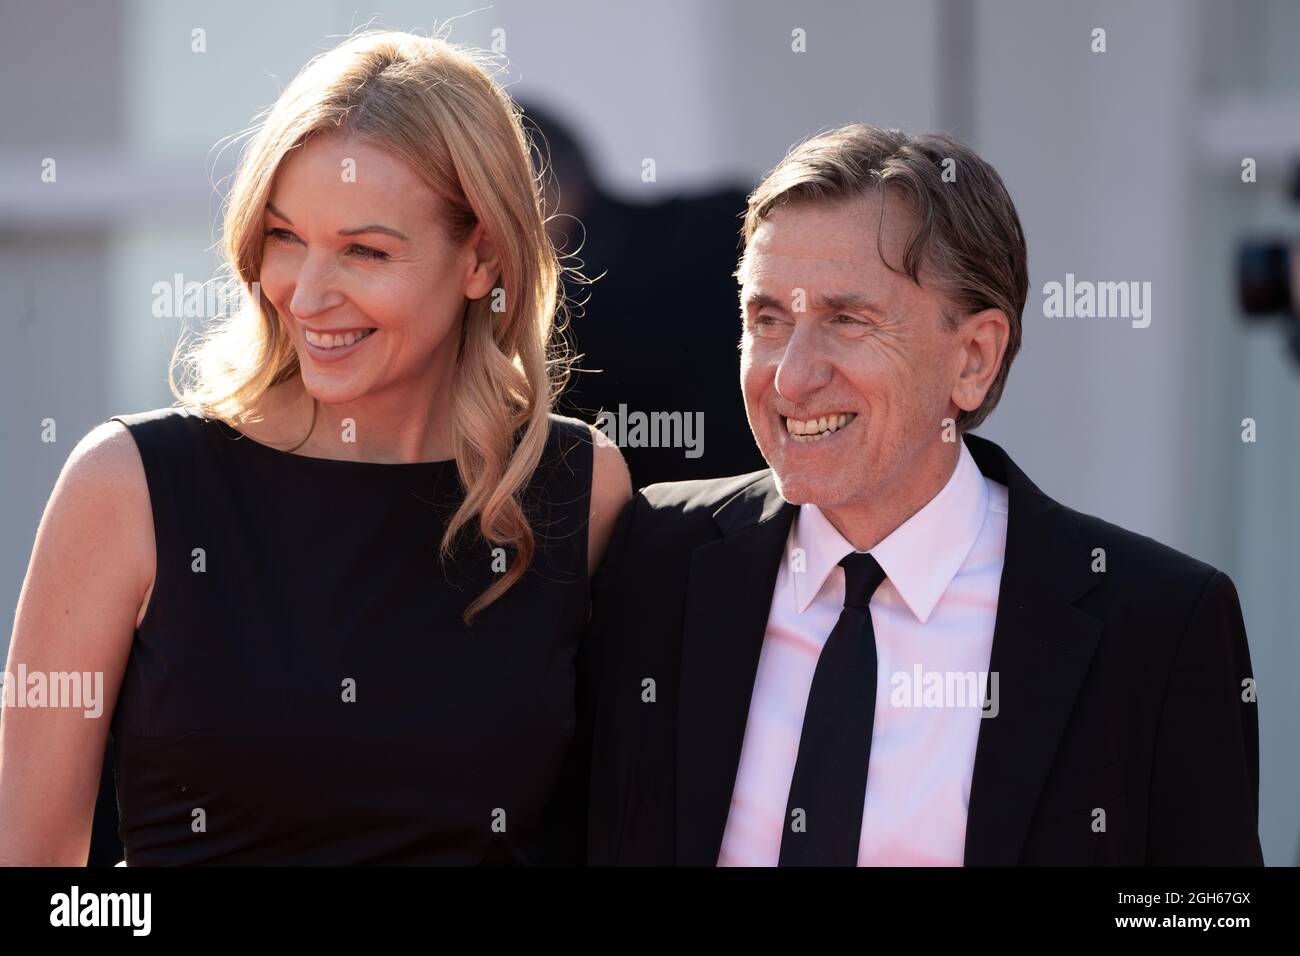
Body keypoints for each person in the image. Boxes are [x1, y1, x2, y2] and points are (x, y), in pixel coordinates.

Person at [0, 29, 630, 865]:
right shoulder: (130, 485)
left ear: (481, 256)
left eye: (364, 251)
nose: (307, 291)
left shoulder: (576, 488)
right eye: (286, 236)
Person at [586, 124, 1262, 866]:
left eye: (847, 321)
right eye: (767, 320)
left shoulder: (1155, 624)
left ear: (973, 359)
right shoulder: (651, 560)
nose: (790, 377)